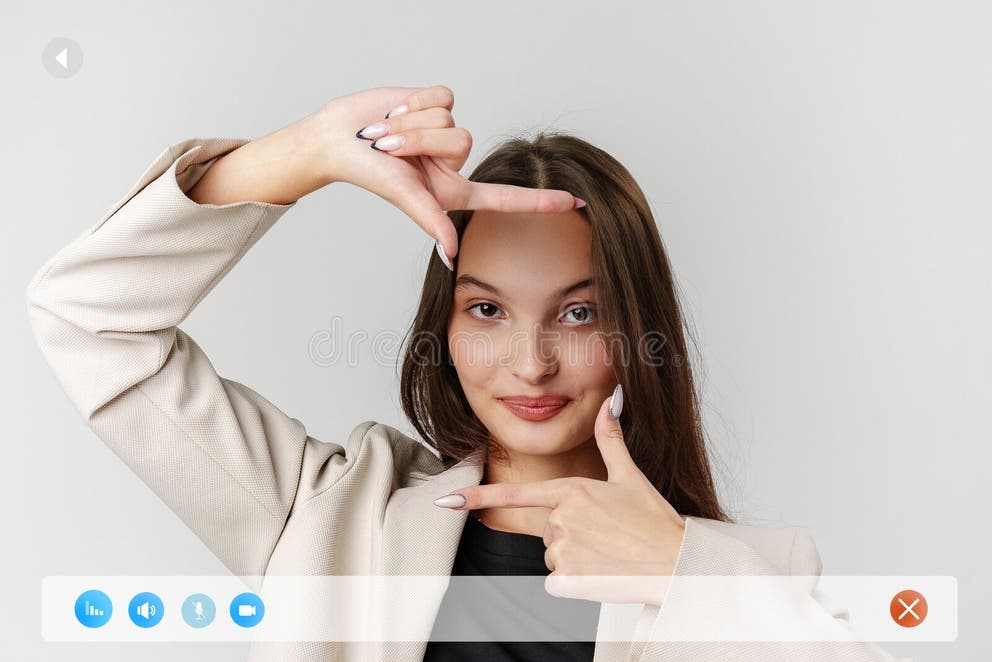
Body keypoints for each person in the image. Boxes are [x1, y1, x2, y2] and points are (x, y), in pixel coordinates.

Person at [26, 85, 910, 661]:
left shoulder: (757, 574)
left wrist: (683, 570)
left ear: (637, 330)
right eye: (487, 310)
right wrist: (304, 155)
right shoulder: (332, 517)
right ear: (443, 329)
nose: (531, 361)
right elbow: (85, 318)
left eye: (579, 313)